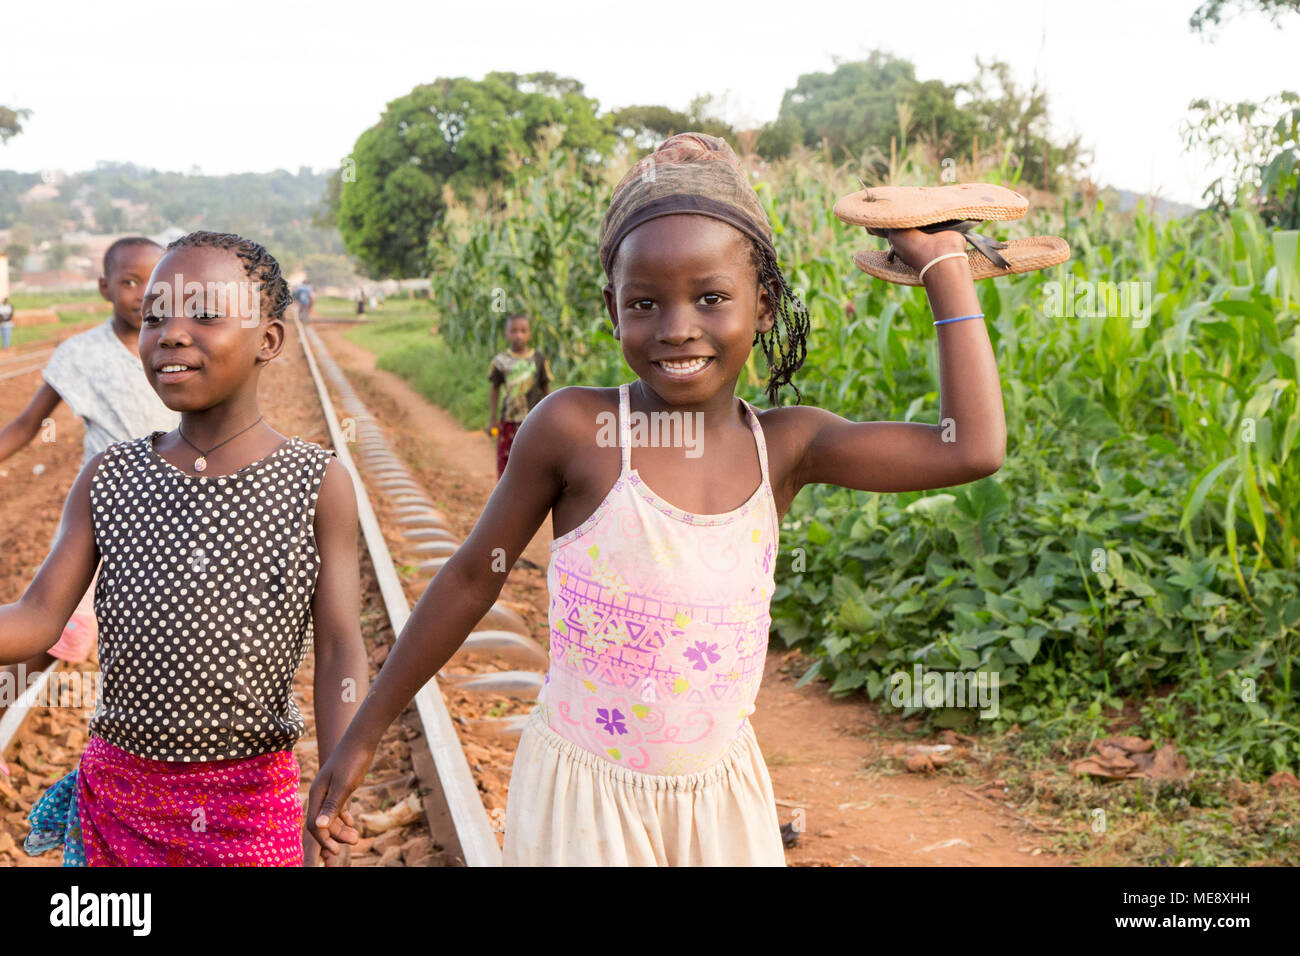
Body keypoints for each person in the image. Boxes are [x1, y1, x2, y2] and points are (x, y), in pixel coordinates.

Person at [306, 133, 1004, 866]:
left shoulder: (789, 446)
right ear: (613, 309)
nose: (677, 328)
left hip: (719, 800)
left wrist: (945, 269)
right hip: (587, 800)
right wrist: (364, 733)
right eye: (645, 303)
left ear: (763, 305)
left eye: (710, 298)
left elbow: (970, 448)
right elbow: (475, 575)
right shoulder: (576, 430)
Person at [2, 231, 368, 866]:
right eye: (155, 318)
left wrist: (339, 769)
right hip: (119, 804)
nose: (170, 334)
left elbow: (339, 644)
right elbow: (38, 618)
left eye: (204, 315)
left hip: (248, 809)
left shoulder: (317, 483)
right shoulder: (110, 477)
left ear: (268, 340)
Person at [0, 238, 181, 776]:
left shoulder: (180, 348)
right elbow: (28, 425)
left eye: (154, 284)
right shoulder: (80, 354)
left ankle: (159, 766)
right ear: (104, 287)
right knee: (54, 628)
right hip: (105, 518)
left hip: (182, 519)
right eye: (128, 282)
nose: (141, 294)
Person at [485, 313, 552, 479]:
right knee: (506, 462)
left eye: (523, 331)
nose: (518, 335)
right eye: (513, 331)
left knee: (534, 461)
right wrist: (493, 419)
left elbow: (546, 388)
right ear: (506, 334)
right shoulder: (500, 361)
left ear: (529, 334)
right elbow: (495, 389)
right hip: (509, 419)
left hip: (533, 420)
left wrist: (550, 417)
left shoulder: (538, 359)